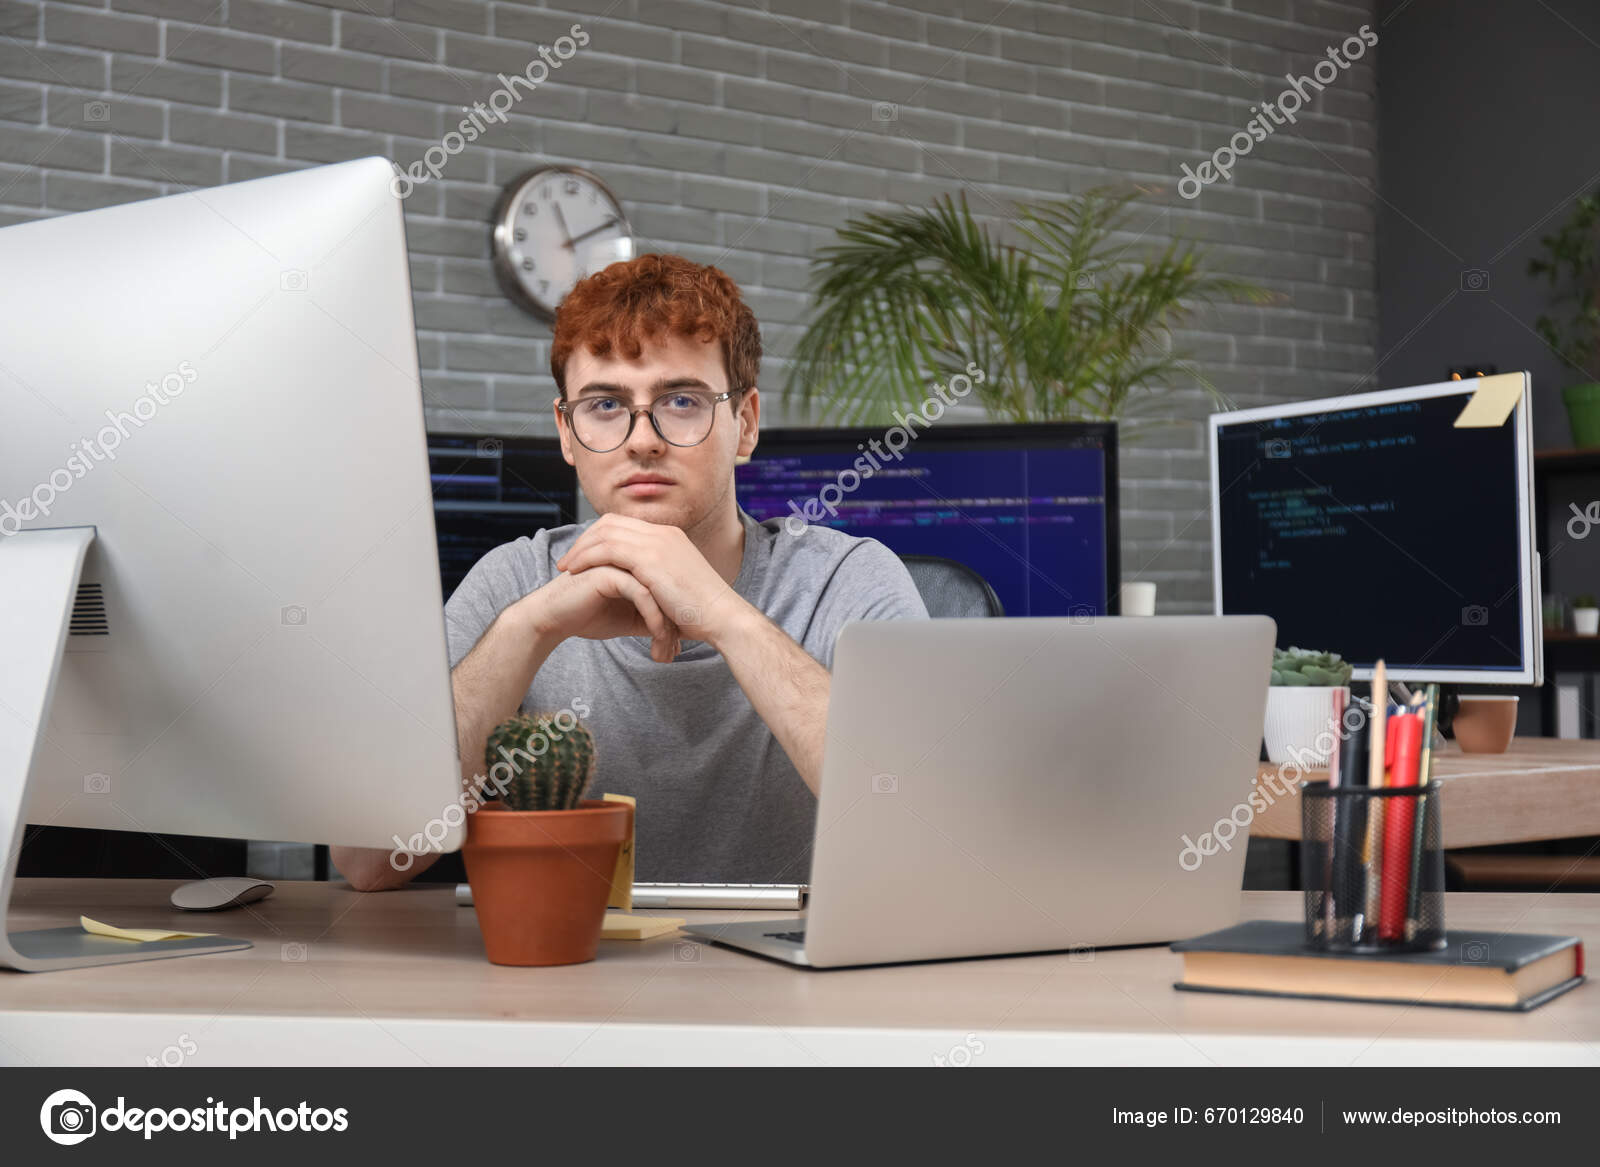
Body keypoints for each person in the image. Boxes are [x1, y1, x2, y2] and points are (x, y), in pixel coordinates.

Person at [333, 254, 928, 891]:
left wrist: (723, 615)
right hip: (562, 976)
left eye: (680, 400)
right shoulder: (514, 582)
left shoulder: (847, 579)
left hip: (796, 977)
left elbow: (923, 821)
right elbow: (372, 861)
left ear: (745, 423)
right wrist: (529, 630)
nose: (643, 440)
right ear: (566, 433)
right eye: (606, 405)